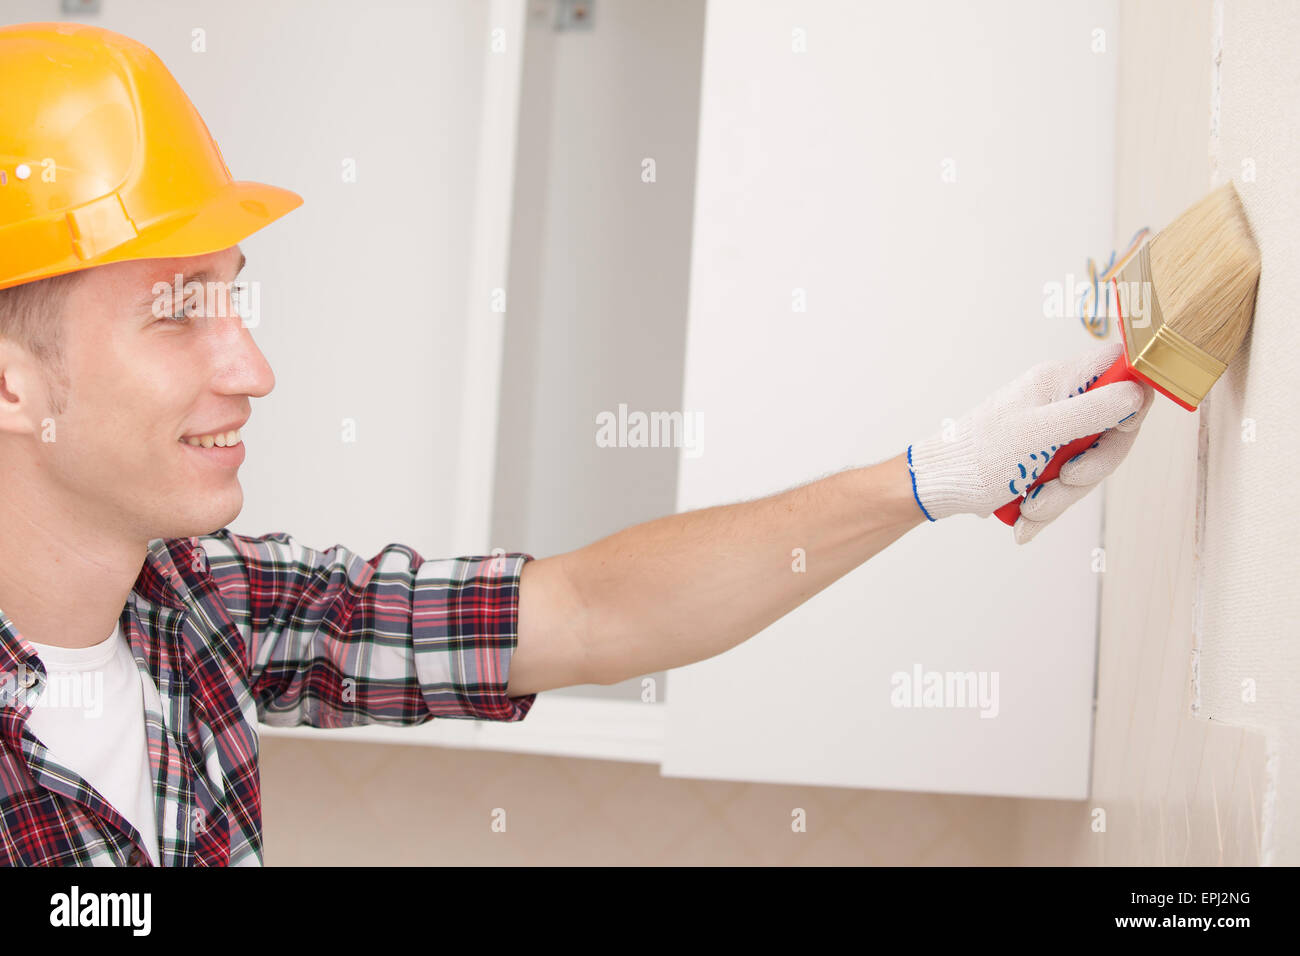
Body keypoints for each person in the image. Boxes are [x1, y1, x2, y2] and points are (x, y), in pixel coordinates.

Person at [0, 22, 1154, 866]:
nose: (252, 368)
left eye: (233, 296)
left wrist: (931, 476)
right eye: (175, 308)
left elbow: (594, 612)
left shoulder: (207, 610)